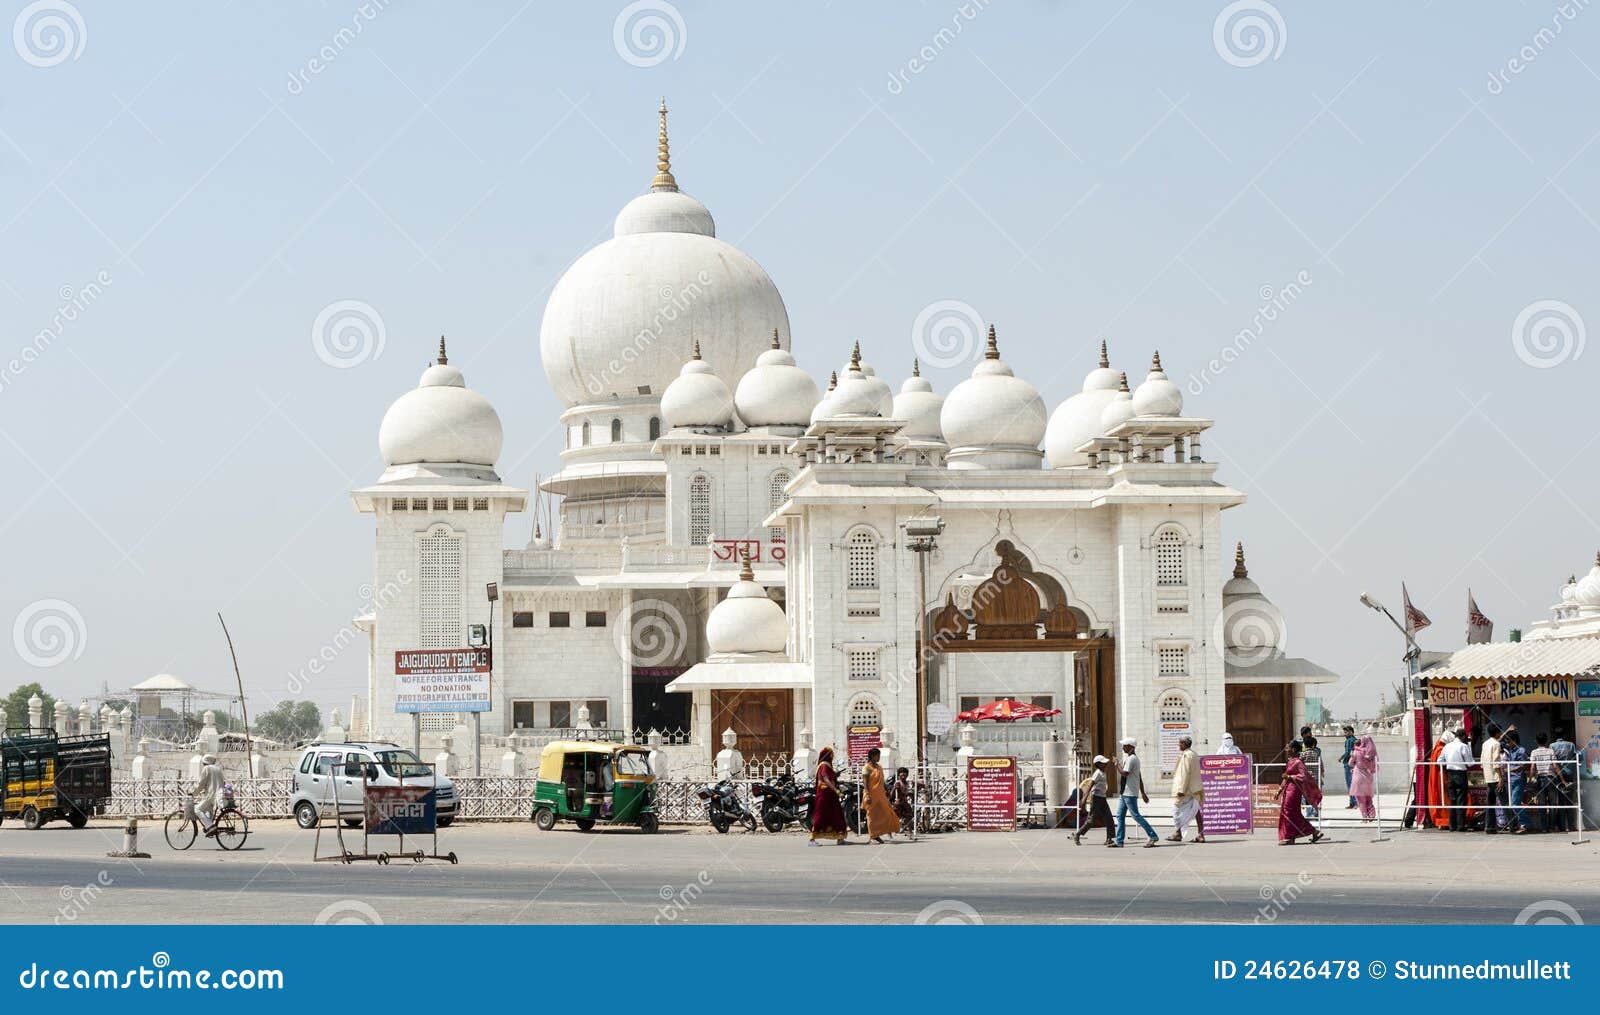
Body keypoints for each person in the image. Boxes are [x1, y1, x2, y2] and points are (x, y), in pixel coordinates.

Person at [1275, 741, 1323, 845]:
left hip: (1294, 790)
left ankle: (1289, 837)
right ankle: (1313, 832)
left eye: (1288, 748)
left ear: (1293, 749)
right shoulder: (1290, 761)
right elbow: (1286, 777)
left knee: (1288, 812)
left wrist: (1291, 777)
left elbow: (1304, 776)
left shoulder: (1298, 762)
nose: (1286, 750)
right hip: (1288, 789)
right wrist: (1279, 790)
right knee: (1292, 813)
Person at [1113, 737, 1158, 848]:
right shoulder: (1132, 759)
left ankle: (1153, 836)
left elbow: (1125, 773)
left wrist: (1116, 764)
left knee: (1136, 816)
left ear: (1131, 747)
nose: (1123, 748)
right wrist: (1143, 792)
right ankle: (1119, 841)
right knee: (1120, 815)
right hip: (1125, 792)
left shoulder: (1132, 759)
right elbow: (1139, 777)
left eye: (1125, 746)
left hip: (1129, 792)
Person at [808, 747, 850, 846]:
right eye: (831, 754)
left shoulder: (827, 765)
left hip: (830, 795)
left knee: (837, 815)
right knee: (821, 816)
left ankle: (840, 838)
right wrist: (837, 791)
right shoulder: (824, 766)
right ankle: (812, 839)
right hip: (825, 795)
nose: (833, 756)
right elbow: (826, 779)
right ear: (827, 755)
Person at [1168, 735, 1205, 843]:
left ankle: (1178, 834)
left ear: (1184, 744)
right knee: (1196, 811)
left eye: (1180, 743)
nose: (1178, 745)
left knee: (1177, 811)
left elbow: (1185, 773)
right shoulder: (1193, 754)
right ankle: (1201, 835)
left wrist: (1181, 790)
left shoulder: (1186, 755)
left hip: (1186, 790)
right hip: (1194, 789)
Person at [1072, 755, 1116, 845]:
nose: (1106, 764)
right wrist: (1084, 798)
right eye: (1103, 763)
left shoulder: (1103, 772)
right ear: (1098, 764)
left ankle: (1109, 838)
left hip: (1102, 798)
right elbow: (1090, 785)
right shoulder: (1097, 773)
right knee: (1091, 821)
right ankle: (1077, 834)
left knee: (1109, 819)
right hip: (1096, 798)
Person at [862, 747, 900, 844]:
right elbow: (865, 782)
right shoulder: (866, 767)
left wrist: (886, 790)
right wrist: (868, 795)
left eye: (879, 755)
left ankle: (887, 832)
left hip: (881, 795)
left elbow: (882, 780)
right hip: (871, 795)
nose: (879, 757)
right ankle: (873, 836)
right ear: (872, 756)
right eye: (877, 756)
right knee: (872, 816)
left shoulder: (879, 766)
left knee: (887, 813)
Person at [1439, 728, 1472, 831]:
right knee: (1461, 800)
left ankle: (1452, 825)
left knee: (1452, 800)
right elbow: (1470, 763)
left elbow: (1439, 761)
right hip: (1460, 774)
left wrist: (1448, 764)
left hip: (1450, 774)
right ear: (1463, 736)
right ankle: (1460, 825)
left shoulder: (1447, 746)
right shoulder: (1463, 746)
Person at [1529, 732, 1558, 833]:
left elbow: (1532, 767)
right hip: (1551, 778)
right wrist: (1560, 777)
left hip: (1540, 779)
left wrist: (1531, 779)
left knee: (1542, 804)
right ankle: (1552, 826)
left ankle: (1544, 828)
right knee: (1552, 804)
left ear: (1536, 741)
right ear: (1546, 741)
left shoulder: (1534, 752)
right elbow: (1555, 766)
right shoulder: (1551, 751)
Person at [1551, 729, 1578, 833]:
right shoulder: (1571, 745)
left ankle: (1562, 826)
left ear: (1555, 735)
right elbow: (1579, 757)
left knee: (1561, 801)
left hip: (1558, 775)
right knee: (1570, 801)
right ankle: (1571, 826)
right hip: (1569, 774)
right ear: (1565, 735)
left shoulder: (1552, 746)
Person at [1480, 722, 1504, 834]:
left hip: (1488, 777)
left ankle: (1489, 827)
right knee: (1505, 802)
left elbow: (1482, 762)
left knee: (1490, 804)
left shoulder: (1485, 744)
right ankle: (1513, 826)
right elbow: (1496, 763)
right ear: (1497, 732)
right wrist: (1501, 778)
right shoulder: (1496, 744)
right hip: (1496, 778)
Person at [1503, 730, 1529, 834]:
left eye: (1508, 741)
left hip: (1518, 779)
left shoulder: (1521, 750)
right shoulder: (1510, 750)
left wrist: (1511, 769)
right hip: (1510, 779)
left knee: (1514, 804)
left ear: (1514, 740)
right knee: (1512, 803)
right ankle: (1519, 824)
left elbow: (1524, 765)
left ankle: (1526, 823)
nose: (1507, 743)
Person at [191, 753, 224, 835]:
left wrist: (193, 793)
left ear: (205, 762)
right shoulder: (218, 769)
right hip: (219, 795)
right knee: (208, 811)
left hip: (211, 795)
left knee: (197, 809)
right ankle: (209, 827)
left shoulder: (207, 768)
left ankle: (210, 826)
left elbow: (201, 783)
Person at [1349, 734, 1378, 822]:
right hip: (1368, 778)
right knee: (1368, 797)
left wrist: (1354, 765)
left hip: (1358, 777)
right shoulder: (1372, 754)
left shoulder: (1356, 752)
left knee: (1360, 799)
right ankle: (1372, 815)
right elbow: (1375, 766)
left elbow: (1350, 763)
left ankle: (1364, 817)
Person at [1300, 734, 1324, 826]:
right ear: (1313, 745)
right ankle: (1316, 812)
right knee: (1315, 795)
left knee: (1307, 796)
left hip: (1306, 778)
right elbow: (1321, 764)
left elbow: (1299, 763)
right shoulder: (1316, 753)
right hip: (1316, 778)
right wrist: (1322, 772)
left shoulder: (1303, 754)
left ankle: (1309, 813)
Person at [1340, 725, 1358, 809]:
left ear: (1351, 732)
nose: (1344, 734)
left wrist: (1341, 758)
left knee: (1350, 783)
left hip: (1348, 763)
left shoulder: (1349, 740)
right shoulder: (1355, 740)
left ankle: (1353, 802)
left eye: (1346, 732)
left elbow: (1347, 752)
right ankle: (1354, 802)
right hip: (1355, 764)